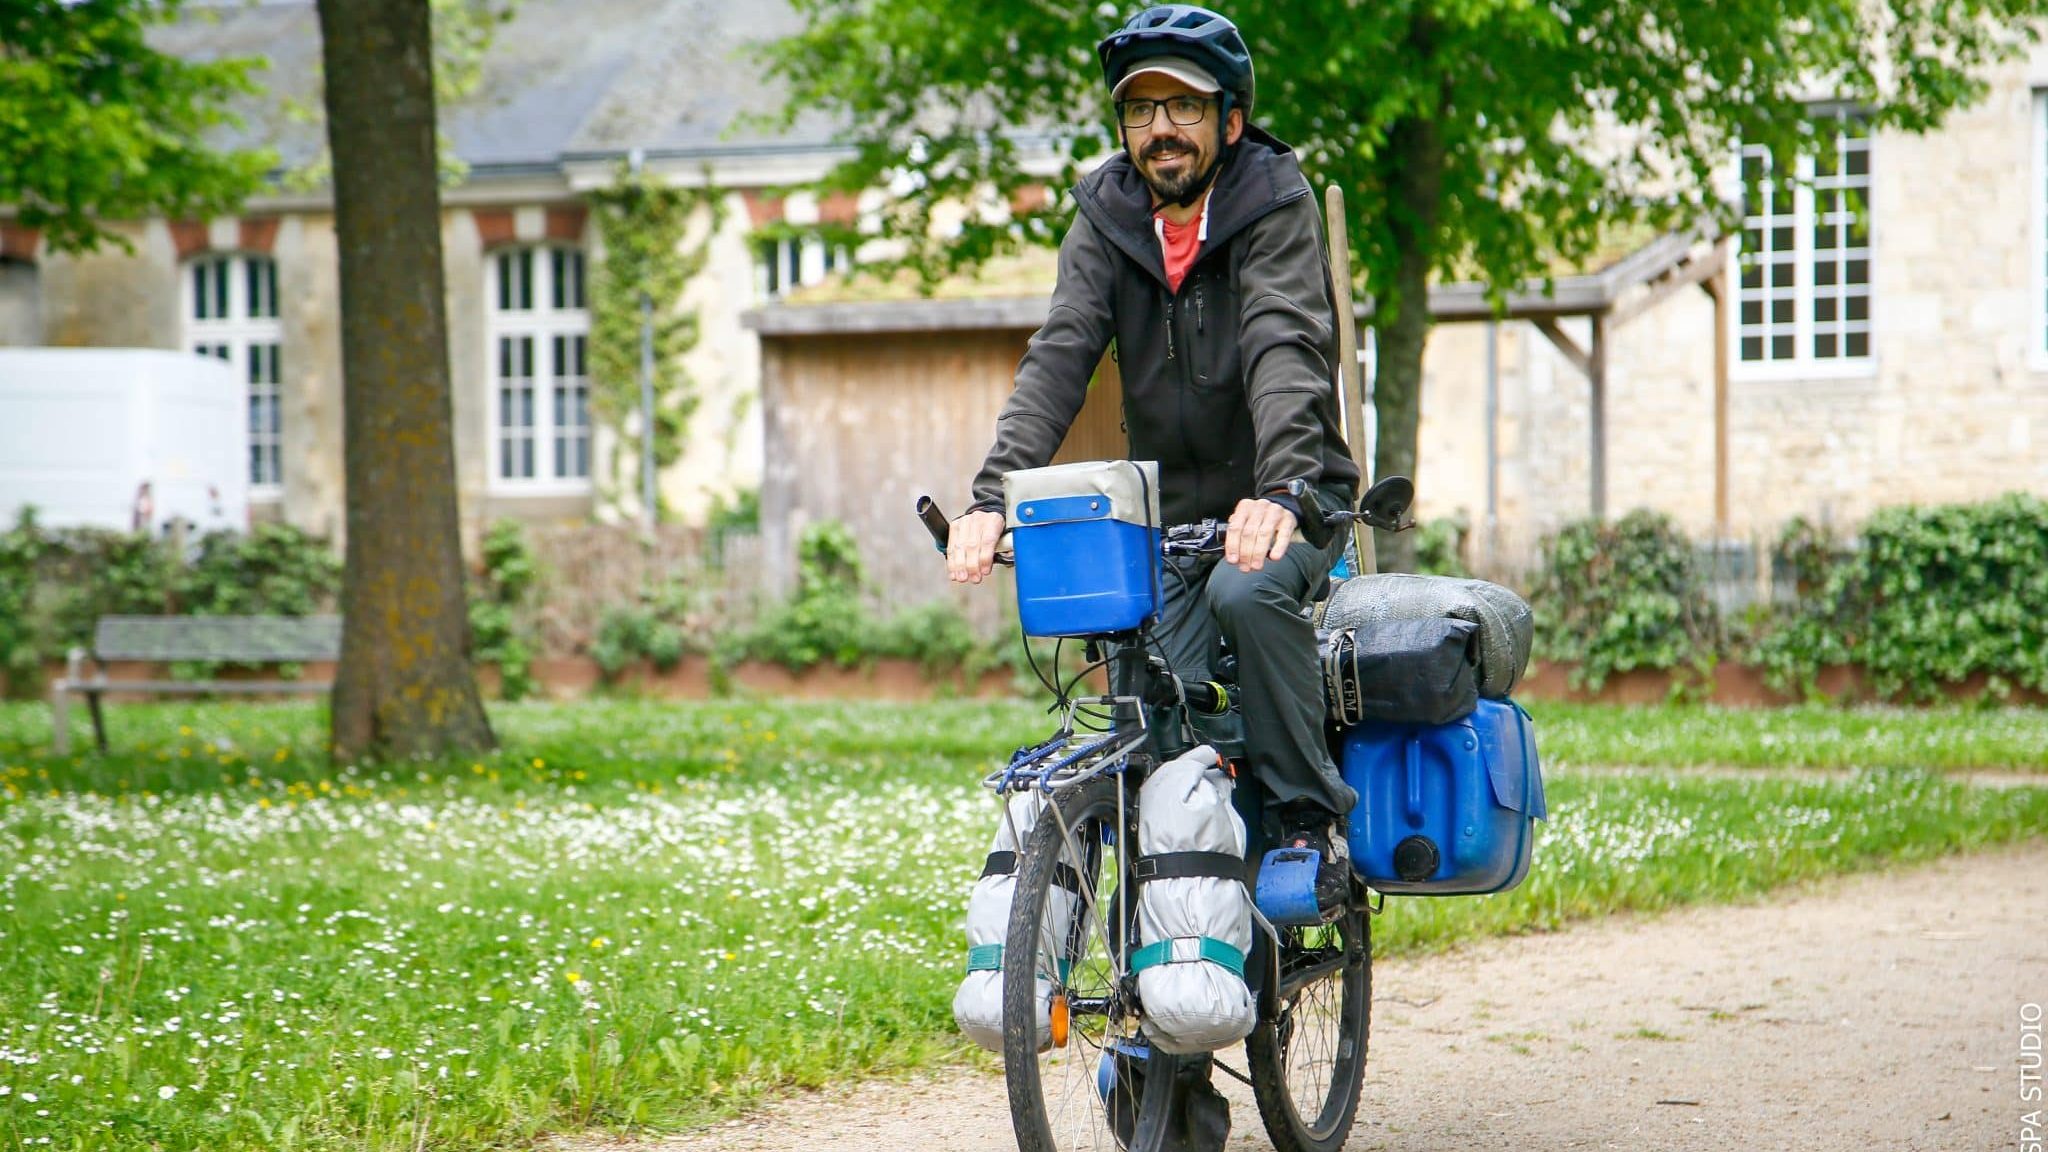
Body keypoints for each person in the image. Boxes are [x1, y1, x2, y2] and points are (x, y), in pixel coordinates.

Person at [946, 3, 1361, 914]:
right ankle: (1161, 993)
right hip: (1167, 512)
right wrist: (988, 499)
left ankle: (1305, 824)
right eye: (1141, 110)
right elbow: (1060, 354)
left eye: (1184, 106)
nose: (1161, 129)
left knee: (1245, 593)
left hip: (1289, 498)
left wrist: (1285, 487)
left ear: (1231, 120)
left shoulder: (1270, 200)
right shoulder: (1108, 215)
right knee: (1142, 677)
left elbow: (1285, 347)